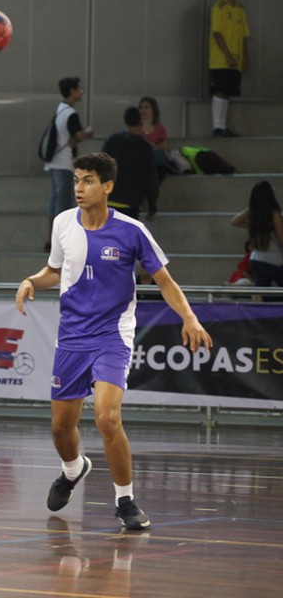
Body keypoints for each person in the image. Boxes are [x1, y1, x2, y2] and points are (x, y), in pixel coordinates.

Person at [16, 152, 211, 530]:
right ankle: (73, 470)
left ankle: (125, 501)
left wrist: (189, 316)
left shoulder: (132, 231)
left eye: (87, 180)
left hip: (112, 335)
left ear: (107, 186)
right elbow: (53, 271)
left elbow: (165, 281)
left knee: (107, 417)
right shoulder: (62, 224)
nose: (78, 187)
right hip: (72, 337)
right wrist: (30, 281)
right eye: (76, 179)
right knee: (60, 427)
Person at [44, 77, 93, 252]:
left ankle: (50, 240)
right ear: (72, 91)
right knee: (63, 205)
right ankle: (59, 243)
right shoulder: (71, 114)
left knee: (54, 202)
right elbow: (78, 135)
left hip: (55, 163)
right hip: (65, 163)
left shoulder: (60, 109)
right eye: (79, 88)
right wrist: (88, 132)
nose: (81, 91)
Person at [209, 0, 249, 137]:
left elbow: (244, 35)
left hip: (236, 60)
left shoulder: (240, 9)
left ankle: (223, 126)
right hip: (221, 59)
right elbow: (217, 33)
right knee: (220, 90)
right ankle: (217, 127)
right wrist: (227, 55)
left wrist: (245, 55)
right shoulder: (219, 7)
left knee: (229, 92)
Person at [102, 107, 158, 221]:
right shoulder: (145, 147)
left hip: (109, 200)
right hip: (131, 203)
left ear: (125, 120)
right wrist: (152, 207)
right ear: (140, 121)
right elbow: (151, 179)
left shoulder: (112, 141)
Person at [230, 181, 283, 286]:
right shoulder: (274, 213)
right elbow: (282, 239)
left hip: (256, 259)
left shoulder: (252, 211)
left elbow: (234, 221)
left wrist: (253, 226)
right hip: (275, 259)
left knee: (261, 293)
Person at [137, 96, 172, 183]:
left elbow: (162, 145)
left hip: (155, 161)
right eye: (141, 108)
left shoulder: (160, 128)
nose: (143, 111)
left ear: (153, 110)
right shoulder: (136, 128)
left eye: (146, 107)